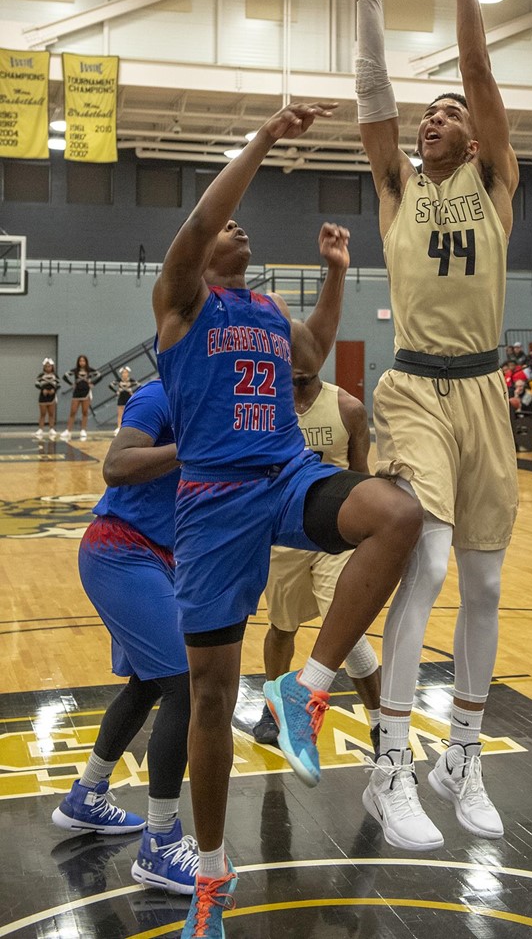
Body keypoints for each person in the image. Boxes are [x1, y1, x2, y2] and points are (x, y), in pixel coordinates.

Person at [151, 101, 422, 939]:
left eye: (240, 228)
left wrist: (338, 270)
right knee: (207, 694)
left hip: (285, 474)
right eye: (230, 227)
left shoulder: (267, 313)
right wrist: (266, 136)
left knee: (397, 514)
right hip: (212, 502)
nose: (239, 232)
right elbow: (199, 219)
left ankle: (307, 690)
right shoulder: (181, 302)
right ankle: (210, 873)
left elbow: (316, 348)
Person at [353, 0, 519, 852]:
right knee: (429, 560)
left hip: (487, 394)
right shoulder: (397, 188)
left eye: (448, 112)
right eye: (431, 115)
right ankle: (391, 764)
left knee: (487, 589)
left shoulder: (495, 180)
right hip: (416, 385)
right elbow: (374, 95)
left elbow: (482, 74)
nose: (436, 117)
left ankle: (464, 753)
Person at [52, 380, 199, 896]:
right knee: (185, 685)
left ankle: (85, 795)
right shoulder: (160, 395)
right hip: (121, 550)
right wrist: (194, 445)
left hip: (157, 557)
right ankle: (160, 844)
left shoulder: (219, 397)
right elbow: (115, 465)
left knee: (149, 684)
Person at [253, 337, 381, 753]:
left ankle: (381, 722)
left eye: (305, 377)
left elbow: (361, 477)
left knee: (350, 629)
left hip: (334, 535)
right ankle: (272, 706)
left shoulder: (348, 409)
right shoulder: (265, 408)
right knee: (282, 626)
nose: (297, 384)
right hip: (283, 534)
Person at [61, 354, 101, 440]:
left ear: (86, 362)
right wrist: (71, 384)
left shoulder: (89, 370)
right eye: (80, 361)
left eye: (83, 361)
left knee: (85, 412)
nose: (82, 362)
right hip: (76, 393)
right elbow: (65, 376)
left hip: (86, 392)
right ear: (78, 362)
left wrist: (93, 384)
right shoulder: (75, 370)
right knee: (73, 411)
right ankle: (68, 430)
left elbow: (99, 375)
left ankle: (83, 430)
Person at [109, 366, 141, 434]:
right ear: (121, 374)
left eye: (126, 372)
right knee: (120, 413)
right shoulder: (118, 380)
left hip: (129, 397)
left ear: (128, 373)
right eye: (123, 373)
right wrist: (116, 391)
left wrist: (133, 392)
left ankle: (131, 427)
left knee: (130, 411)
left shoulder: (131, 380)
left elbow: (139, 385)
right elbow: (110, 385)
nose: (125, 374)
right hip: (121, 397)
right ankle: (119, 427)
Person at [35, 357, 60, 439]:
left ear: (52, 367)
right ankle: (40, 429)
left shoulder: (55, 375)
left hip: (52, 396)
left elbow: (58, 384)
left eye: (49, 366)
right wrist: (43, 390)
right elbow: (36, 384)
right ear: (44, 367)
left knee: (51, 413)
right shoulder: (41, 375)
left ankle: (51, 428)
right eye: (46, 366)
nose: (48, 368)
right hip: (43, 396)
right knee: (42, 414)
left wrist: (54, 390)